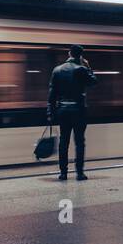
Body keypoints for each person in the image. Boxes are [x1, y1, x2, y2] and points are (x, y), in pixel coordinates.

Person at [47, 44, 97, 180]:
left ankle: (63, 173)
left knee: (64, 142)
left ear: (69, 53)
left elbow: (51, 94)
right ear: (80, 55)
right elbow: (93, 82)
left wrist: (50, 113)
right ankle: (79, 173)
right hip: (78, 110)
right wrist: (88, 67)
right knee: (79, 142)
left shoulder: (57, 70)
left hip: (63, 110)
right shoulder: (81, 69)